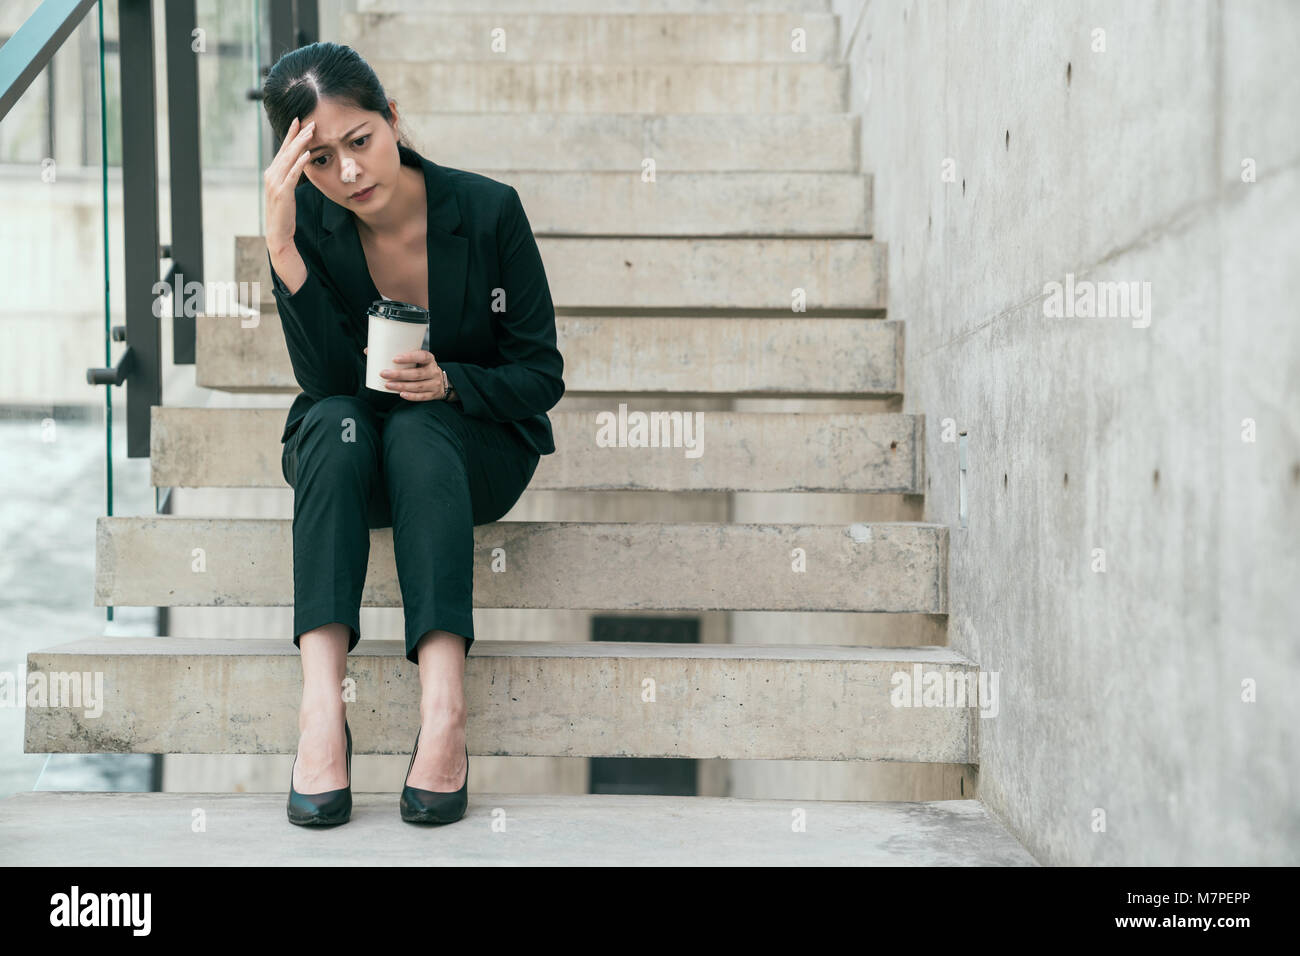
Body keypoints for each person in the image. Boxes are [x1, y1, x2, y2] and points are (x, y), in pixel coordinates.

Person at [261, 42, 564, 825]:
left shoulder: (488, 211)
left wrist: (452, 380)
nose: (349, 173)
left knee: (423, 422)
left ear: (394, 119)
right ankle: (321, 711)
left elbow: (540, 375)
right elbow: (327, 382)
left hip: (474, 449)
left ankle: (444, 712)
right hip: (359, 454)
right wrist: (284, 246)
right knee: (332, 423)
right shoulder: (316, 231)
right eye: (320, 160)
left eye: (359, 141)